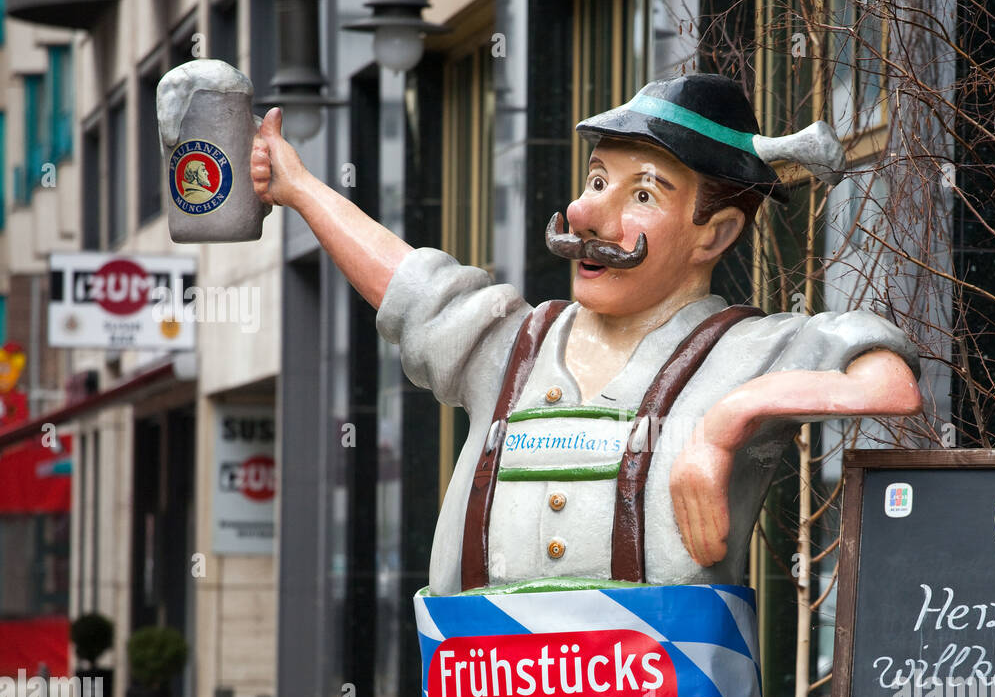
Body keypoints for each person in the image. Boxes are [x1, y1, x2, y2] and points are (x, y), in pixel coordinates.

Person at [251, 74, 922, 594]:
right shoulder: (512, 346)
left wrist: (730, 418)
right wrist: (302, 187)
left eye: (642, 195)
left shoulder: (746, 353)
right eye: (597, 179)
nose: (584, 211)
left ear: (713, 233)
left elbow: (887, 382)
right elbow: (409, 284)